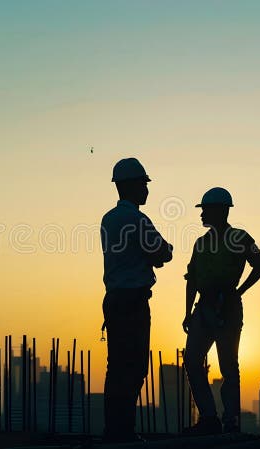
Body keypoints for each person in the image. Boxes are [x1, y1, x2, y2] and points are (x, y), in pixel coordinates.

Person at [182, 187, 260, 435]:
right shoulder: (202, 243)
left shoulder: (240, 238)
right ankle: (210, 417)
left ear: (220, 210)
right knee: (192, 361)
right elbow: (192, 279)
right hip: (205, 306)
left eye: (205, 210)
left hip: (227, 307)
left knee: (228, 365)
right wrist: (188, 312)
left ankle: (230, 421)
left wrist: (239, 291)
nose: (201, 214)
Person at [100, 158, 173, 442]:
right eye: (143, 184)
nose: (146, 189)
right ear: (130, 186)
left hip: (114, 299)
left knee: (116, 365)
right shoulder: (137, 219)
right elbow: (162, 253)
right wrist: (162, 252)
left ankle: (114, 429)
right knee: (134, 366)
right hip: (133, 301)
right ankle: (125, 432)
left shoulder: (109, 219)